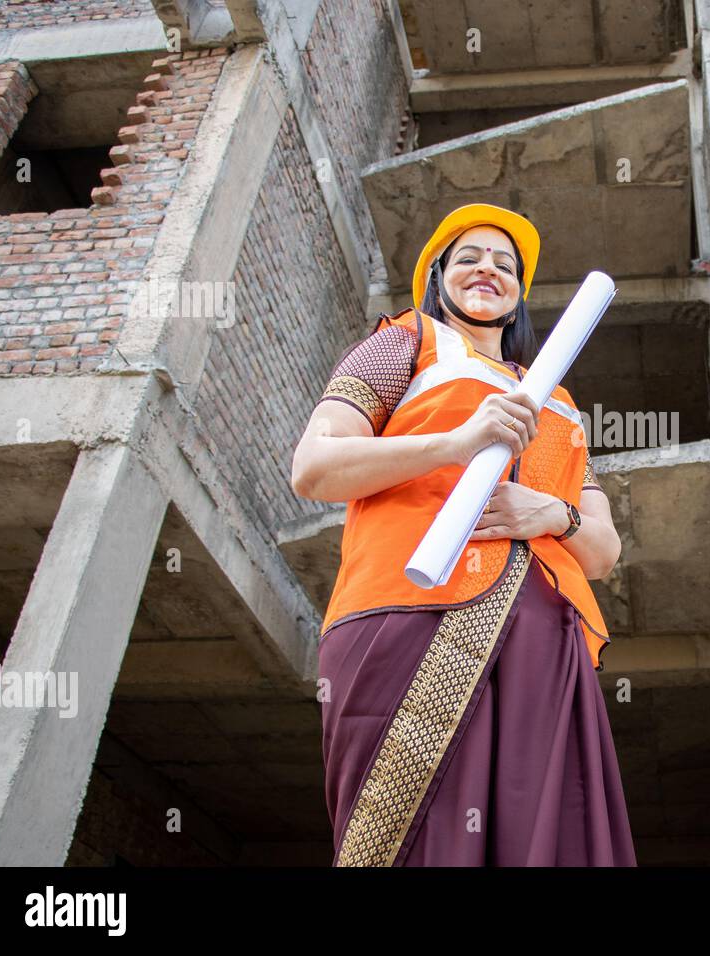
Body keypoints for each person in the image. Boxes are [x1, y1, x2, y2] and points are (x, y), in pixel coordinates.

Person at [291, 203, 636, 866]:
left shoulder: (556, 403)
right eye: (470, 257)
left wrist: (552, 516)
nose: (488, 270)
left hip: (545, 636)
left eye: (505, 265)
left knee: (546, 832)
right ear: (438, 276)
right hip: (407, 613)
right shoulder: (404, 343)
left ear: (519, 295)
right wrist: (457, 441)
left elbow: (603, 551)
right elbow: (315, 468)